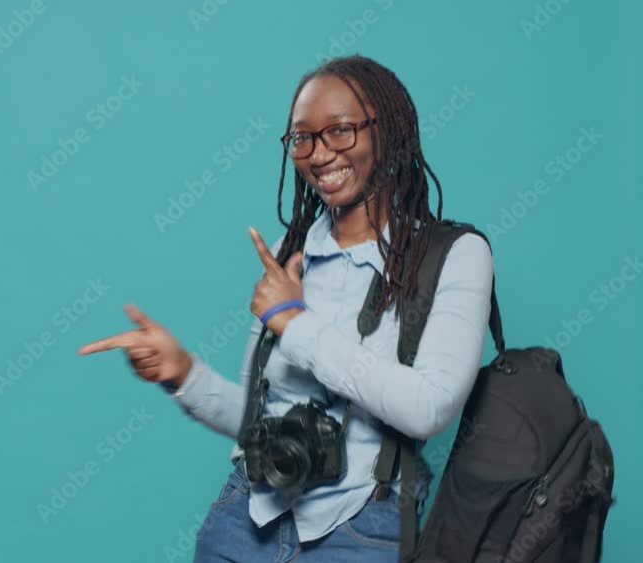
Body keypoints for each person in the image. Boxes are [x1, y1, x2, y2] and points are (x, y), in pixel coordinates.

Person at [77, 54, 494, 562]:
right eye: (303, 137)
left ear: (389, 131)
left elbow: (428, 407)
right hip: (245, 518)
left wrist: (296, 324)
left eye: (340, 131)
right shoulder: (290, 251)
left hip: (363, 529)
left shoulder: (451, 256)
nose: (319, 154)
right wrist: (183, 372)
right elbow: (256, 422)